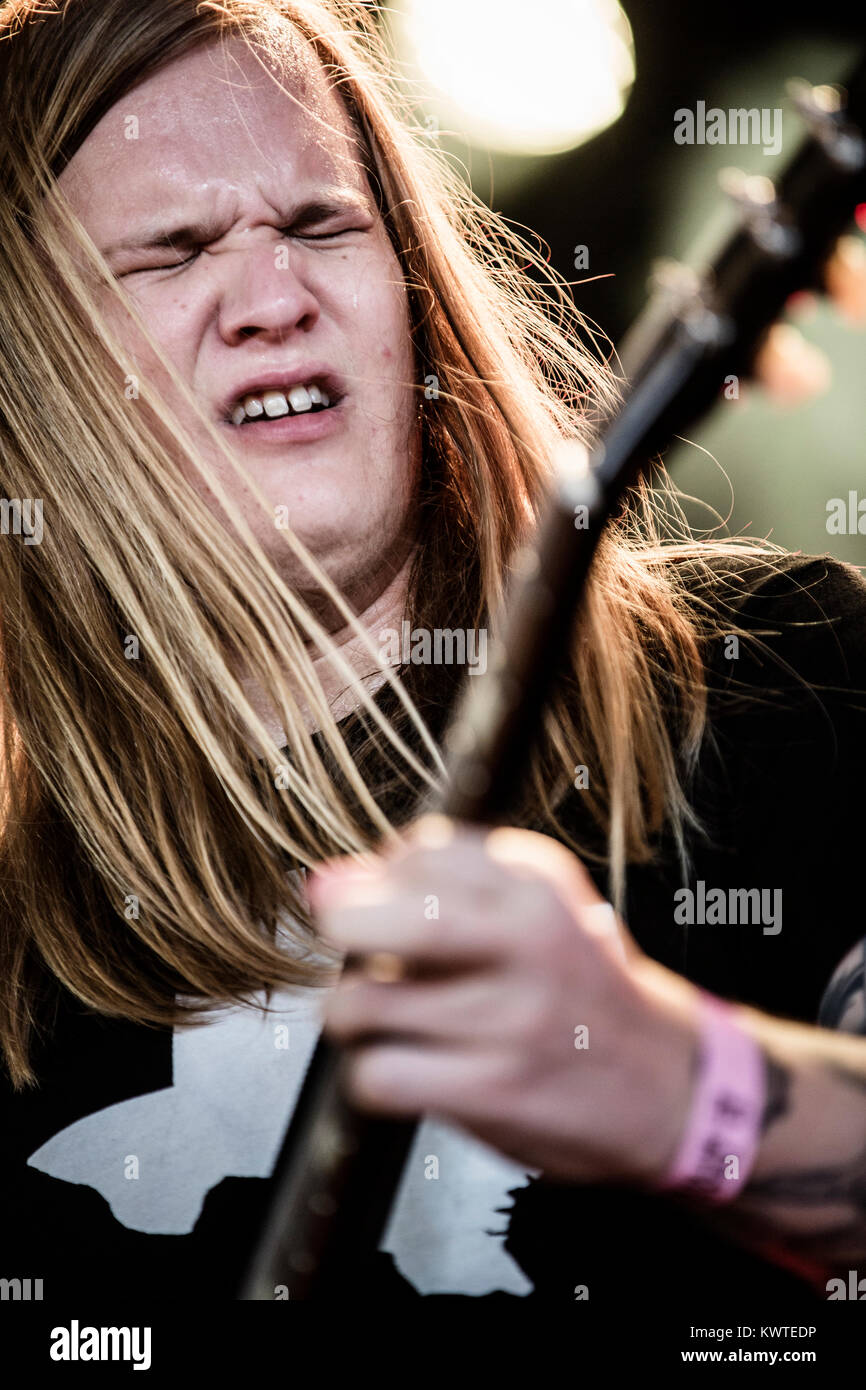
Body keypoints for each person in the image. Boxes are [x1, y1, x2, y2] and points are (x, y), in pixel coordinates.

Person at [1, 0, 866, 1311]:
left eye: (320, 224)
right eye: (170, 253)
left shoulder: (788, 673)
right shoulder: (19, 953)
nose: (273, 297)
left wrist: (682, 1083)